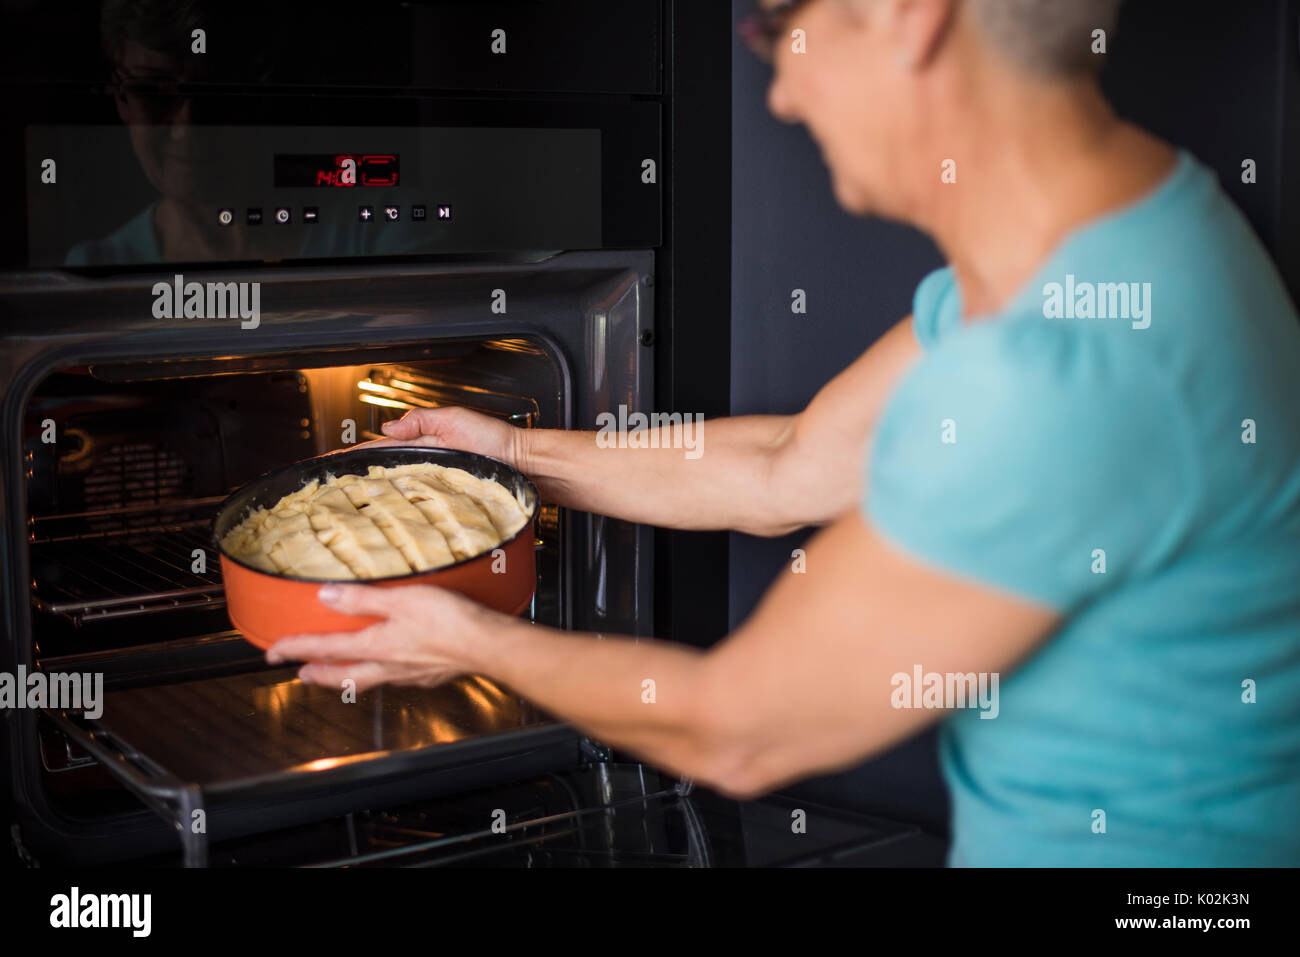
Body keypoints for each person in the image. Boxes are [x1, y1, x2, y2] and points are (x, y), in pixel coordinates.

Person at [267, 0, 1300, 866]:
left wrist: (470, 641)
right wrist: (507, 457)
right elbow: (787, 467)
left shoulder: (1063, 365)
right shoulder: (1126, 243)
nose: (781, 94)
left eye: (777, 29)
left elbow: (742, 729)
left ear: (907, 18)